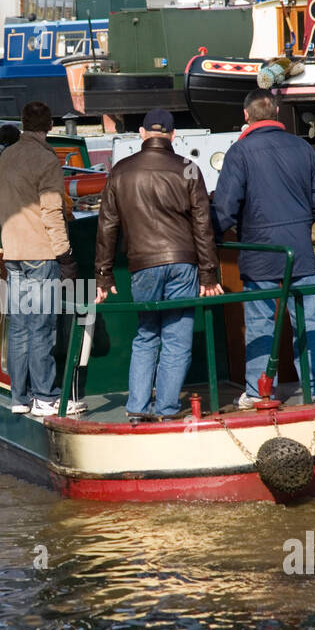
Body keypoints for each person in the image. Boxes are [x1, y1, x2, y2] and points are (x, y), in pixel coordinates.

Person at [94, 109, 222, 422]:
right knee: (177, 341)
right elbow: (203, 225)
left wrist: (103, 274)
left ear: (141, 134)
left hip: (142, 265)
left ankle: (137, 409)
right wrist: (208, 275)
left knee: (147, 334)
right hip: (183, 262)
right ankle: (166, 410)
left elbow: (107, 225)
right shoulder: (189, 169)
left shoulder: (121, 171)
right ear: (174, 135)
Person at [211, 88, 315, 406]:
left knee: (261, 320)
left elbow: (225, 207)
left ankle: (259, 390)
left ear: (246, 115)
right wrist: (301, 225)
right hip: (300, 251)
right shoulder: (303, 148)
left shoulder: (239, 153)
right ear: (276, 112)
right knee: (308, 319)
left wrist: (211, 236)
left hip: (259, 252)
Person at [0, 101, 81, 417]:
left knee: (18, 328)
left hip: (13, 252)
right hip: (40, 253)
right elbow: (51, 211)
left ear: (21, 122)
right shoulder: (47, 160)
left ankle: (20, 397)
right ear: (49, 125)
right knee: (42, 327)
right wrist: (65, 253)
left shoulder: (7, 156)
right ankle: (46, 395)